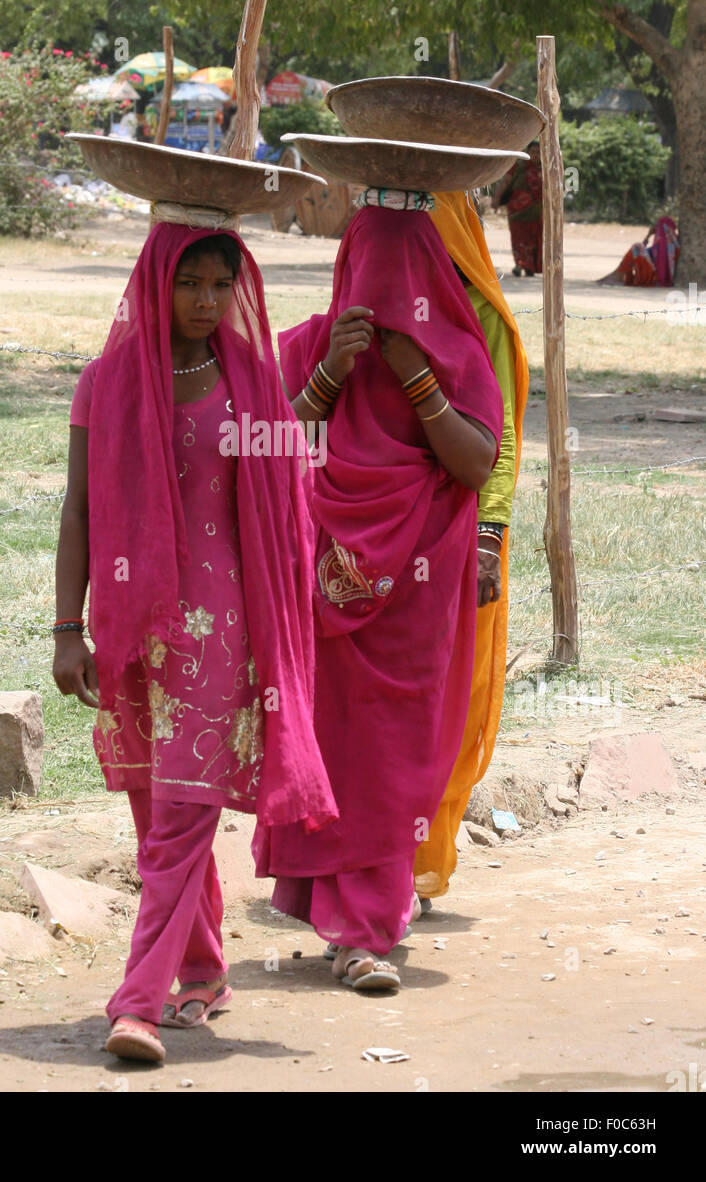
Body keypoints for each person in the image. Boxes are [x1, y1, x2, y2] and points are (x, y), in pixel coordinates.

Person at [53, 221, 337, 1062]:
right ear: (154, 284)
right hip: (137, 629)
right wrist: (69, 628)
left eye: (221, 284)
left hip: (227, 633)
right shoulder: (104, 384)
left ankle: (136, 1004)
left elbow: (293, 486)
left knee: (182, 813)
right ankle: (206, 971)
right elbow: (77, 512)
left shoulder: (250, 383)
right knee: (156, 812)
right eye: (190, 284)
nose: (207, 302)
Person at [253, 190, 503, 993]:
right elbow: (264, 449)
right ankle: (340, 922)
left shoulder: (461, 353)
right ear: (346, 266)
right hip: (322, 586)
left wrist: (418, 380)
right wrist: (332, 374)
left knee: (396, 752)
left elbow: (475, 464)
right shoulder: (309, 347)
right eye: (372, 266)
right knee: (333, 743)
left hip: (420, 594)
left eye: (406, 271)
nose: (388, 289)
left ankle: (368, 930)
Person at [412, 190, 529, 906]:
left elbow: (502, 431)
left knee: (451, 694)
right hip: (375, 533)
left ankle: (420, 860)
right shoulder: (367, 301)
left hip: (461, 530)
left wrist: (487, 536)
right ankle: (361, 863)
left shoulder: (475, 306)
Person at [491, 139, 543, 276]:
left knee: (535, 237)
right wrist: (496, 199)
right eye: (533, 152)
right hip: (517, 209)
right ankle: (519, 264)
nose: (536, 155)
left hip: (538, 211)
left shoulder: (548, 167)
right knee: (518, 237)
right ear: (528, 152)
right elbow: (505, 181)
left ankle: (530, 266)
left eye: (539, 152)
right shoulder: (518, 165)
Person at [596, 216, 680, 287]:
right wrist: (648, 236)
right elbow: (646, 250)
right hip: (653, 273)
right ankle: (619, 274)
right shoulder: (668, 245)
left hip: (654, 276)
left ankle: (619, 275)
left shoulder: (666, 246)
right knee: (637, 248)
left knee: (637, 246)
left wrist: (648, 236)